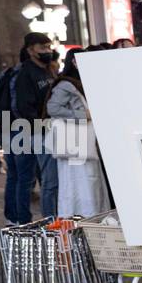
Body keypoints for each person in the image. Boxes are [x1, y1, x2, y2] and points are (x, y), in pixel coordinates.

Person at [45, 47, 111, 218]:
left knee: (86, 184)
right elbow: (52, 108)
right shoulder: (67, 84)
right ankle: (81, 222)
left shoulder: (78, 82)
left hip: (81, 145)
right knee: (81, 184)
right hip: (76, 145)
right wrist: (83, 115)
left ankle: (86, 220)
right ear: (75, 62)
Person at [5, 33, 56, 224]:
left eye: (48, 47)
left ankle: (33, 218)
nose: (47, 51)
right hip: (32, 132)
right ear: (30, 50)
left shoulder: (47, 70)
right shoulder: (25, 73)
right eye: (42, 48)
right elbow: (23, 107)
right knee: (28, 179)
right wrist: (41, 127)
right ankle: (24, 221)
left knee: (42, 179)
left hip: (44, 131)